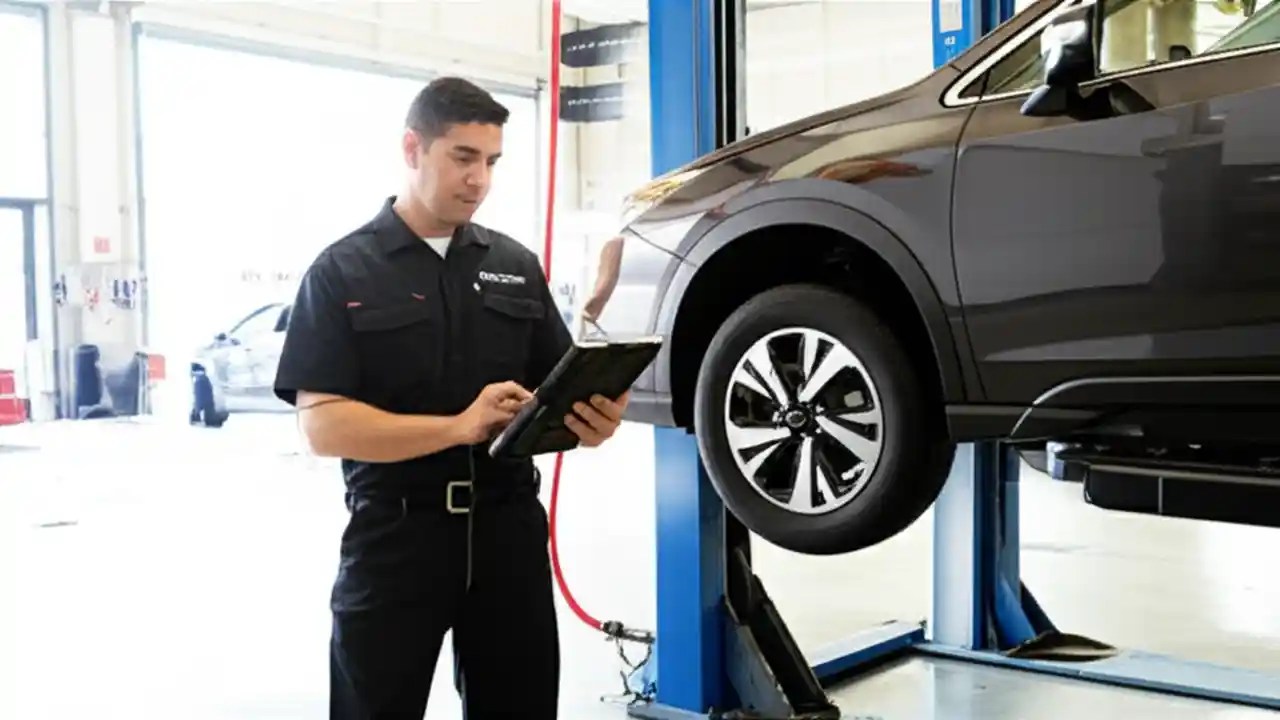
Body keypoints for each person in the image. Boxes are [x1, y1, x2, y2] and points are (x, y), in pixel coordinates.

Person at [272, 76, 629, 720]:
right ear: (413, 149)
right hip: (397, 539)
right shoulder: (342, 272)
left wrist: (593, 417)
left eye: (491, 162)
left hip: (508, 536)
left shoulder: (515, 265)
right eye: (462, 158)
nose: (480, 180)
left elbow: (555, 388)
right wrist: (459, 426)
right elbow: (322, 426)